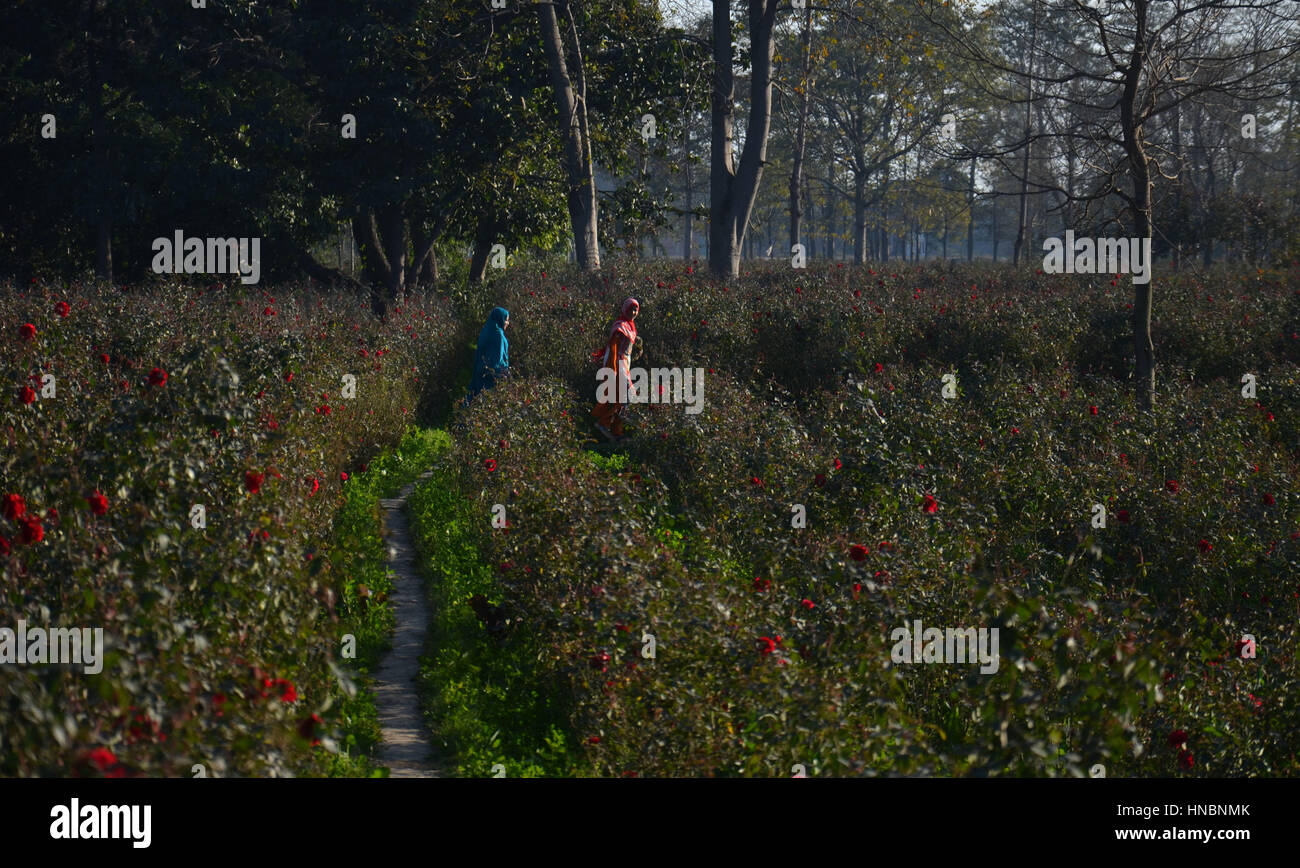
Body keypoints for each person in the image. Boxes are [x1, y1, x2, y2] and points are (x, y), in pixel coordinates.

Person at [592, 297, 640, 440]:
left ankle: (615, 430)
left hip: (623, 364)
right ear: (625, 309)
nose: (633, 312)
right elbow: (613, 347)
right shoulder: (620, 326)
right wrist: (612, 367)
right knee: (627, 396)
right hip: (618, 365)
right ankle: (604, 424)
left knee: (621, 397)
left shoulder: (630, 326)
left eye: (636, 309)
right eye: (631, 309)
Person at [467, 306, 510, 401]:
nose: (507, 323)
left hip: (480, 374)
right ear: (501, 320)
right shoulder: (498, 335)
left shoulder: (486, 331)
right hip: (492, 379)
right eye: (506, 320)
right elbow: (497, 360)